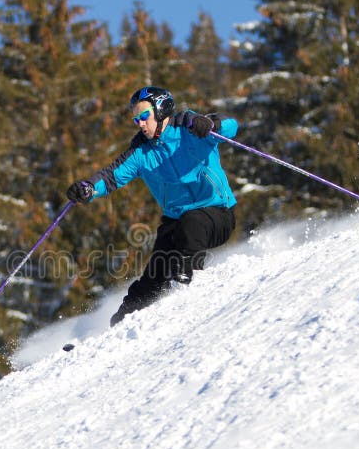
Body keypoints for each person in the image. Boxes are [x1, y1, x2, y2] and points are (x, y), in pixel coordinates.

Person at [66, 86, 238, 326]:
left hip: (217, 215)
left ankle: (188, 285)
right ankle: (122, 322)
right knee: (153, 276)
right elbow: (110, 177)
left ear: (161, 111)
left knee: (193, 223)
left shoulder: (191, 131)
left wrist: (212, 124)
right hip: (175, 223)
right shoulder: (140, 152)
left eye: (144, 116)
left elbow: (231, 126)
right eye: (136, 119)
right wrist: (88, 188)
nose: (140, 123)